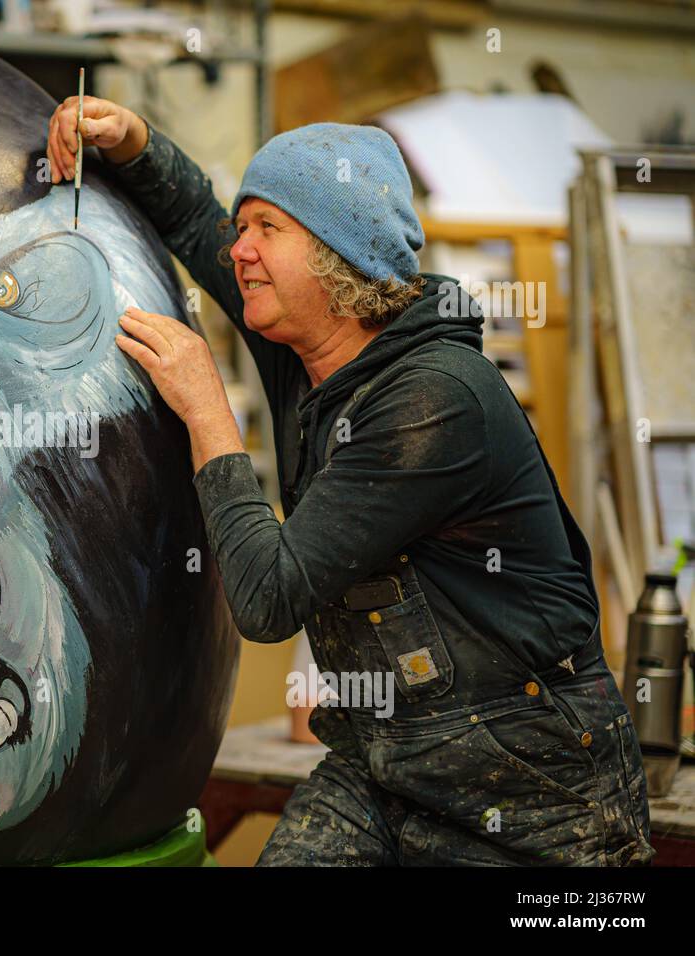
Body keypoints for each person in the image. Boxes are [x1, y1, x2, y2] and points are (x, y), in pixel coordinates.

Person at [46, 98, 655, 866]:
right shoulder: (307, 347)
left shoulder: (434, 401)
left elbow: (268, 598)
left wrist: (207, 409)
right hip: (385, 763)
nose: (240, 250)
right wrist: (132, 143)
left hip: (532, 785)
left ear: (340, 260)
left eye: (268, 229)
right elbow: (197, 221)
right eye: (246, 228)